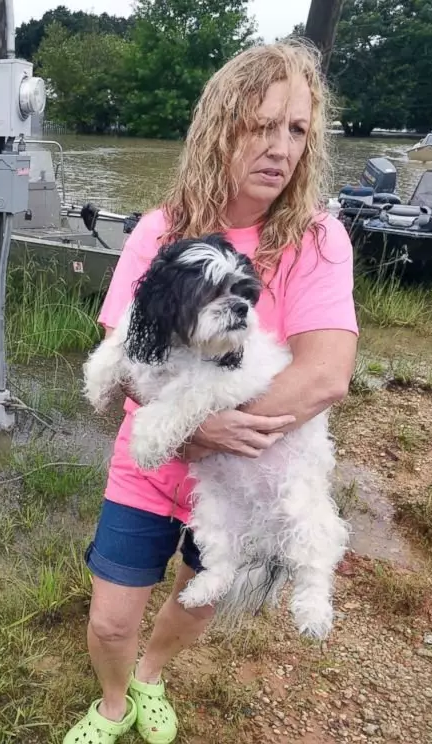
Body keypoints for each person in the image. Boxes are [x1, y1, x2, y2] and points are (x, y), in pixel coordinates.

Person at [64, 39, 358, 744]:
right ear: (220, 129)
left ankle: (152, 675)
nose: (280, 148)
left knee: (202, 599)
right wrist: (192, 432)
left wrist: (220, 431)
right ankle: (112, 701)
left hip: (247, 468)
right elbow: (123, 355)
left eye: (297, 130)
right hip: (151, 458)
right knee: (110, 616)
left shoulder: (319, 238)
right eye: (262, 126)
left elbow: (325, 375)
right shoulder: (160, 231)